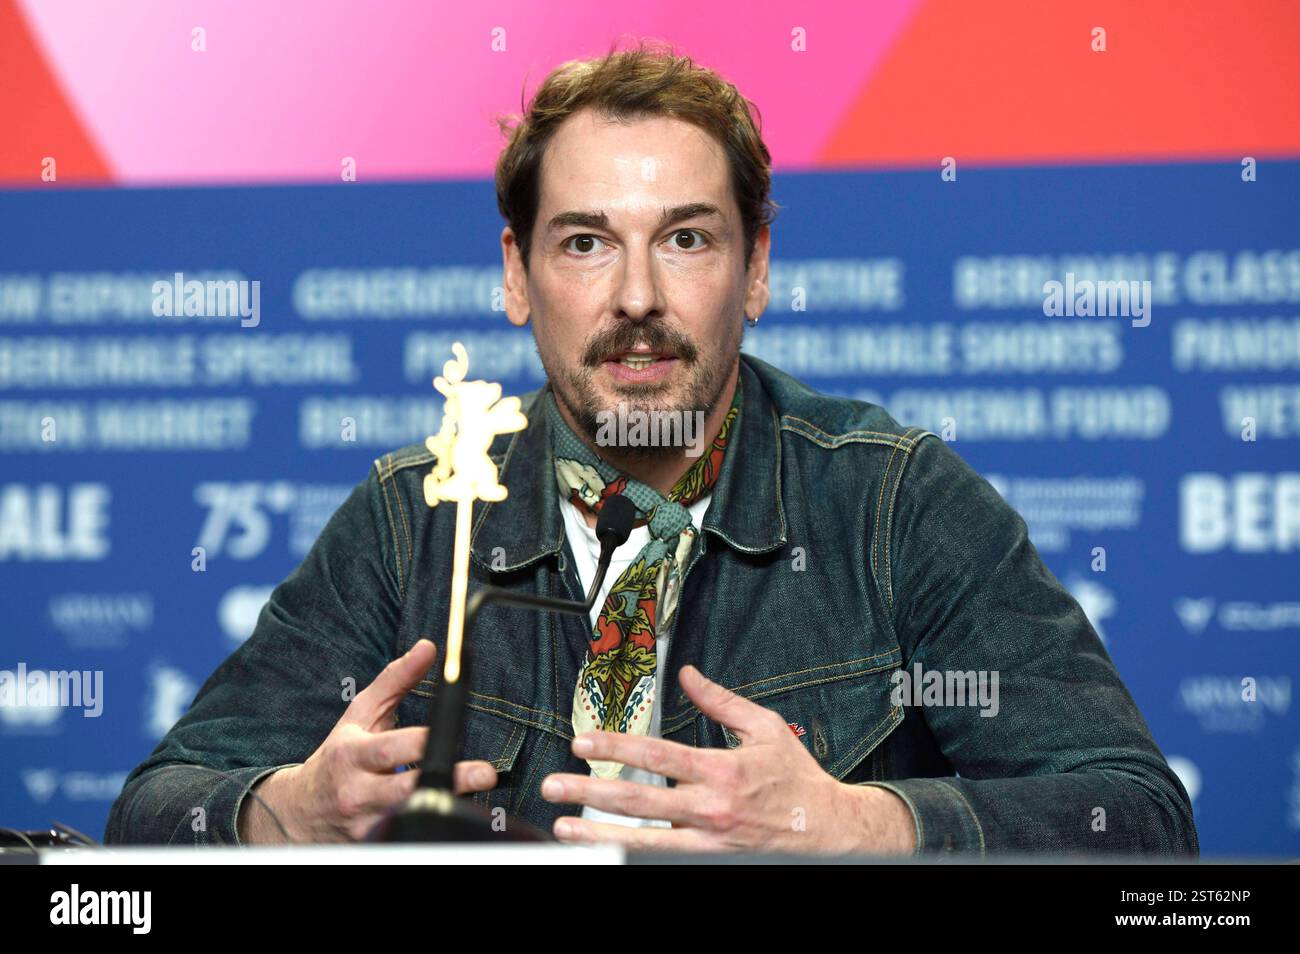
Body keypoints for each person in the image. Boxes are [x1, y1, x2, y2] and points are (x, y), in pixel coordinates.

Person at [105, 42, 1198, 855]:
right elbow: (155, 810)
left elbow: (1137, 820)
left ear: (755, 270)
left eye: (685, 238)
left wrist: (855, 825)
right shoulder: (415, 517)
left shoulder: (894, 502)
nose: (636, 298)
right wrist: (285, 811)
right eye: (586, 242)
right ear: (517, 276)